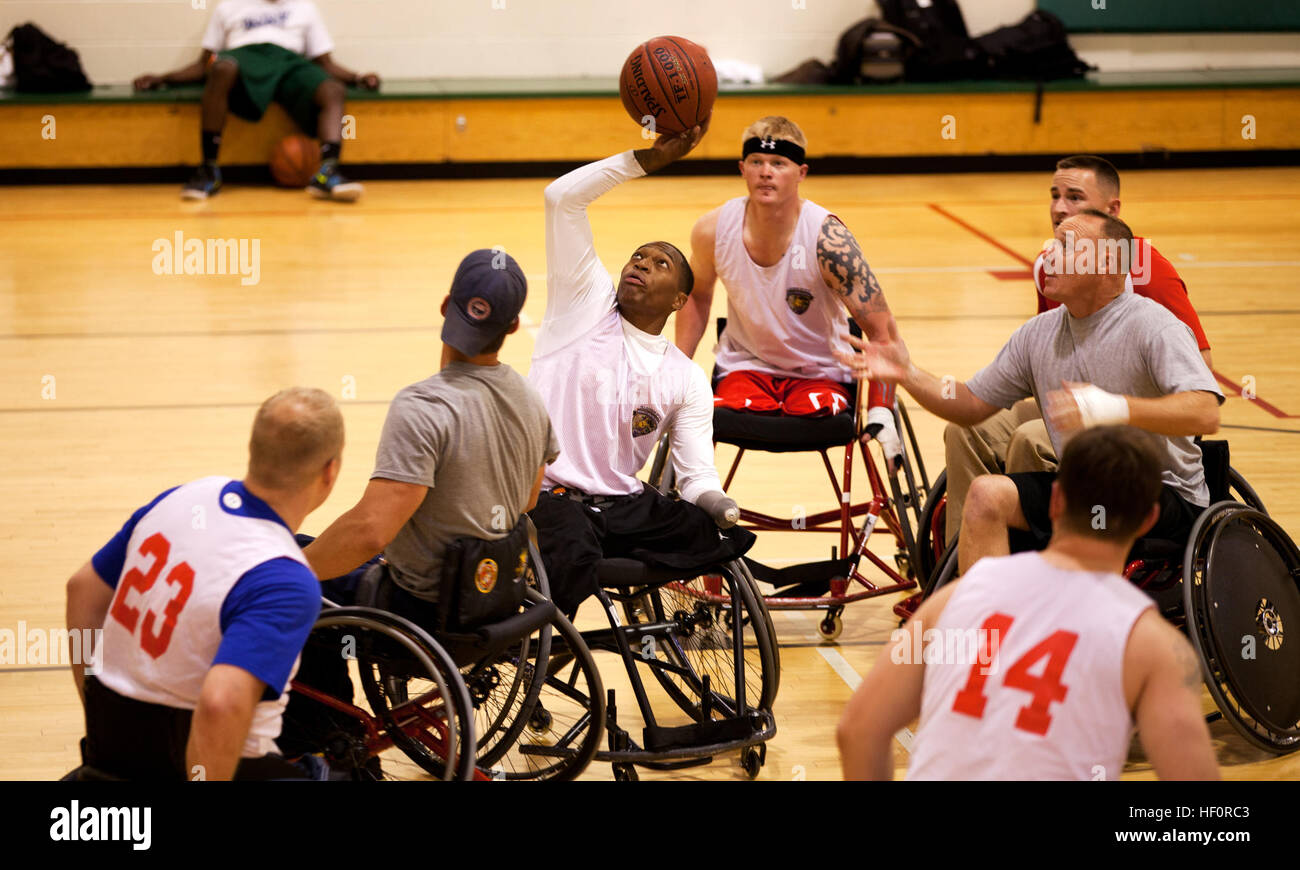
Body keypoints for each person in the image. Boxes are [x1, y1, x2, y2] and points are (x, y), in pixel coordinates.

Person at [838, 209, 1223, 575]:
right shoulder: (1038, 333)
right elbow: (970, 403)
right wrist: (907, 372)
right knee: (988, 495)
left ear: (1107, 263)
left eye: (1066, 246)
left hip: (1162, 494)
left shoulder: (1153, 326)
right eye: (1050, 243)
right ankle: (987, 632)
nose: (1047, 254)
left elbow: (1205, 412)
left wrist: (1115, 408)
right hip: (1083, 490)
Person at [837, 425, 1221, 780]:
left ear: (1053, 501)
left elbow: (858, 730)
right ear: (1149, 520)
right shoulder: (1152, 646)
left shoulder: (954, 598)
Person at [528, 122, 754, 616]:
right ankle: (541, 646)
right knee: (574, 547)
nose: (641, 263)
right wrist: (647, 160)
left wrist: (719, 506)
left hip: (622, 506)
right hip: (548, 497)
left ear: (678, 300)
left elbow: (695, 476)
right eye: (638, 256)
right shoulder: (582, 306)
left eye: (659, 263)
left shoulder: (686, 377)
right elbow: (560, 198)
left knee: (712, 533)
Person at [64, 387, 344, 780]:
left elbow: (81, 590)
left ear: (255, 450)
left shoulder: (183, 497)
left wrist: (99, 710)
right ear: (330, 472)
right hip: (206, 758)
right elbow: (219, 705)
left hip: (110, 739)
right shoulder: (284, 577)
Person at [941, 155, 1213, 545]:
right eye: (1055, 195)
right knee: (967, 429)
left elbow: (1202, 372)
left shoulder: (1149, 271)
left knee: (1032, 438)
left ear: (1111, 209)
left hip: (1130, 419)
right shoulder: (1050, 266)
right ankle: (965, 563)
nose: (1059, 207)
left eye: (1074, 197)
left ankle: (1039, 558)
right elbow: (1047, 357)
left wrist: (1114, 405)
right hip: (1072, 395)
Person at [302, 248, 557, 622]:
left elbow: (370, 531)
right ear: (513, 326)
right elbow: (528, 499)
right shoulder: (532, 400)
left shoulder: (422, 405)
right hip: (495, 593)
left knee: (284, 573)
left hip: (421, 606)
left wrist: (288, 571)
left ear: (444, 305)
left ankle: (327, 681)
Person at [674, 115, 904, 467]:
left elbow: (883, 331)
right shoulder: (712, 230)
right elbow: (696, 295)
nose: (766, 172)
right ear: (742, 168)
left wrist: (881, 408)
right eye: (757, 162)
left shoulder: (831, 241)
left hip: (822, 372)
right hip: (744, 369)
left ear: (801, 173)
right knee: (705, 417)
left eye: (778, 163)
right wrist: (678, 369)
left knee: (814, 410)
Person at [133, 0, 379, 201]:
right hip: (244, 60)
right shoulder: (228, 7)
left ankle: (328, 171)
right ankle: (208, 169)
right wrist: (162, 78)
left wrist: (358, 77)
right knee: (221, 68)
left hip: (288, 63)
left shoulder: (304, 7)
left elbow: (325, 63)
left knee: (332, 89)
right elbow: (201, 65)